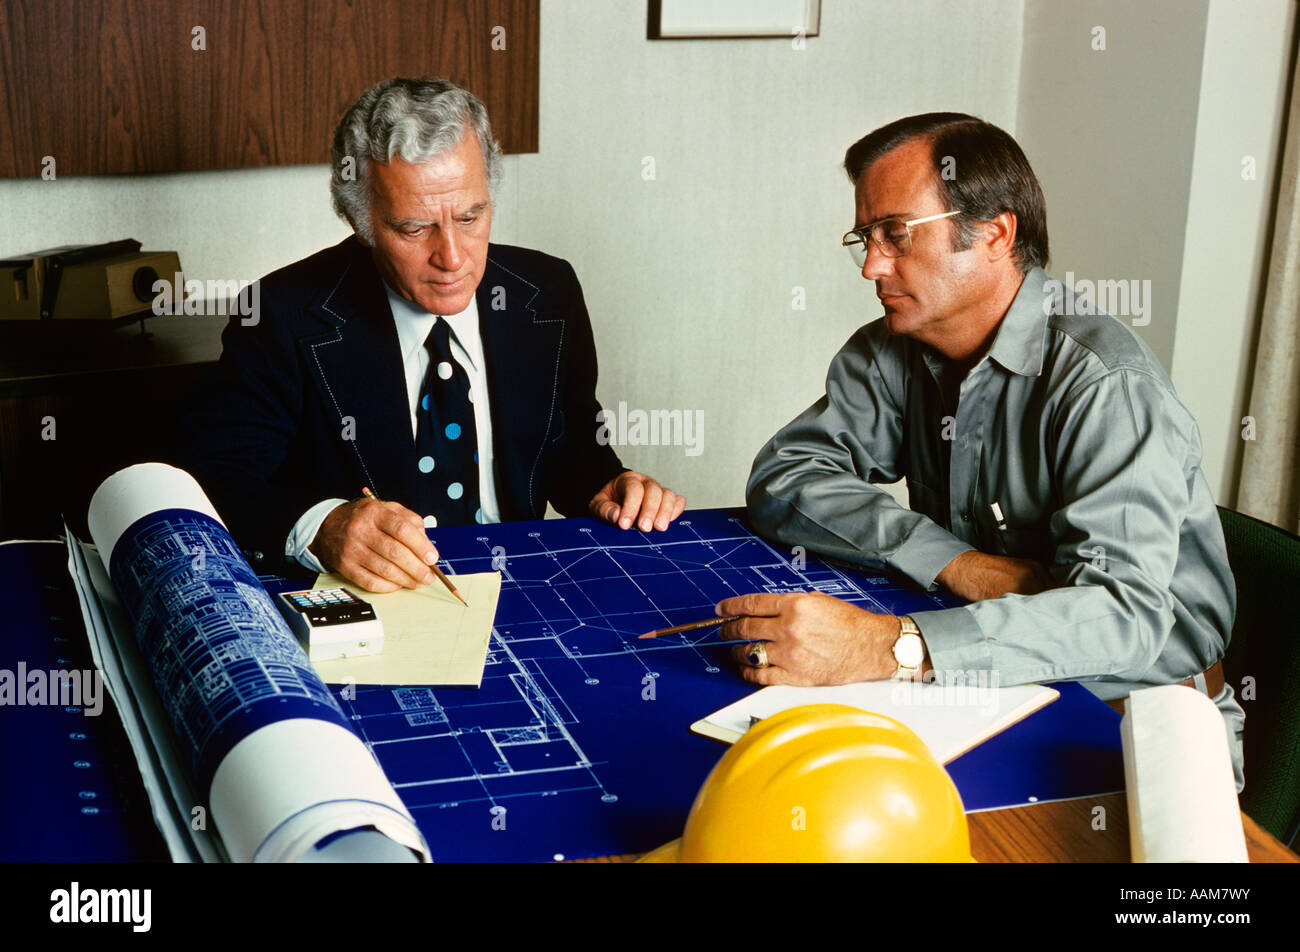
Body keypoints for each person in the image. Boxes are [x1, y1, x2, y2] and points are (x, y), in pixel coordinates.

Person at [717, 113, 1243, 786]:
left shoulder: (1106, 384)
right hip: (977, 683)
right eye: (865, 239)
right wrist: (953, 563)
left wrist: (890, 645)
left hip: (1135, 717)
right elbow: (787, 476)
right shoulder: (889, 351)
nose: (873, 266)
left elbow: (1124, 618)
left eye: (896, 235)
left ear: (994, 233)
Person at [177, 77, 683, 591]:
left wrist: (611, 486)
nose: (452, 257)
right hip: (374, 600)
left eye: (470, 216)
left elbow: (573, 450)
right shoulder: (280, 315)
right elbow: (217, 482)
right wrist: (322, 525)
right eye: (414, 229)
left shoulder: (548, 292)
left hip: (523, 586)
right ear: (360, 219)